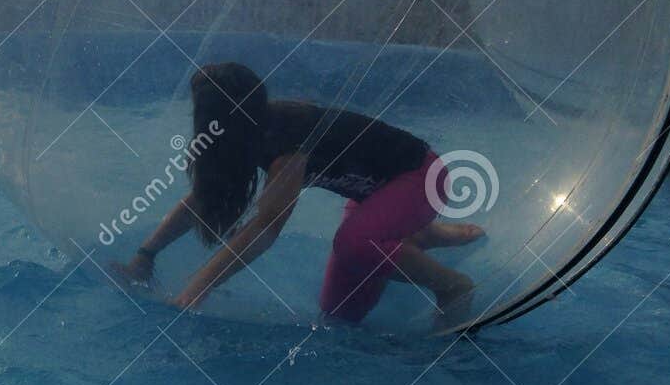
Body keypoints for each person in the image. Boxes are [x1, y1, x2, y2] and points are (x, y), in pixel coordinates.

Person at [112, 62, 480, 322]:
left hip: (424, 178)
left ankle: (452, 286)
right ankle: (419, 235)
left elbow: (265, 228)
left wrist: (195, 291)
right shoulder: (243, 133)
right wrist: (144, 257)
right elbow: (205, 196)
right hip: (376, 197)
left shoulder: (288, 142)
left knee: (354, 243)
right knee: (339, 315)